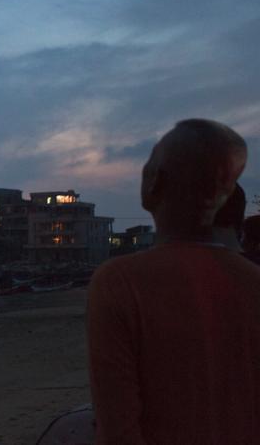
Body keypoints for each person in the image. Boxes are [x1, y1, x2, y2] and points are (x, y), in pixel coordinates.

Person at [86, 119, 260, 444]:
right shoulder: (253, 280)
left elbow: (118, 429)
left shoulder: (119, 282)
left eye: (148, 162)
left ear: (155, 182)